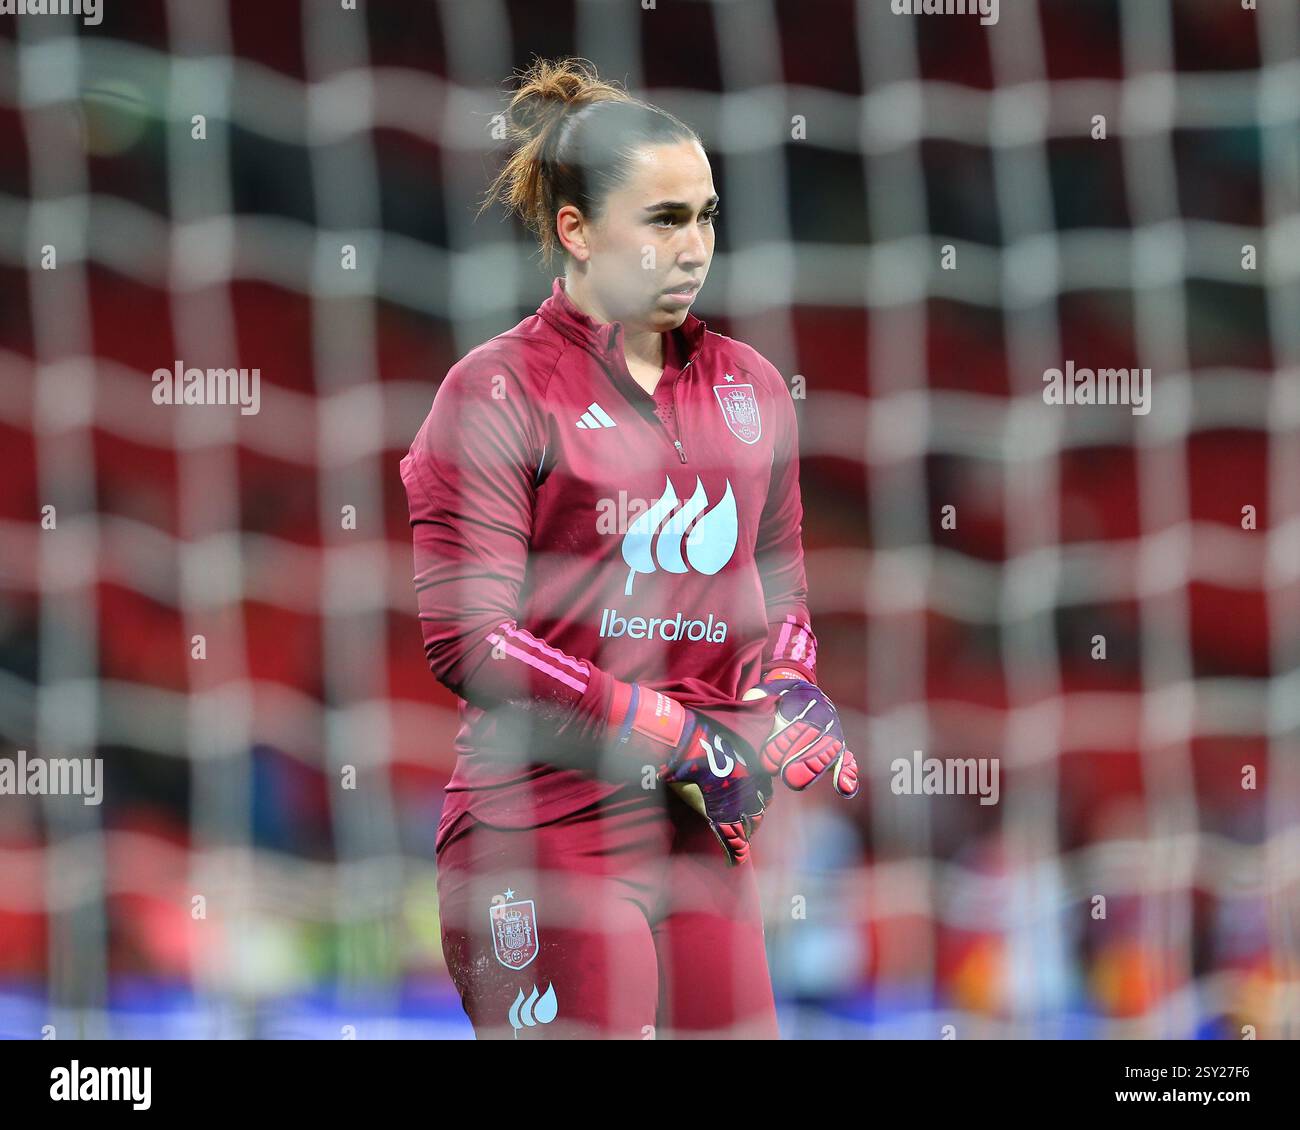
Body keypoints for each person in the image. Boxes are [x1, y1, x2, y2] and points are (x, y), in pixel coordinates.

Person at [399, 56, 858, 1040]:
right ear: (576, 229)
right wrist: (670, 732)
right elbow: (468, 641)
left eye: (705, 214)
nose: (694, 246)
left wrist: (790, 686)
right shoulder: (494, 393)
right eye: (663, 219)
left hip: (697, 838)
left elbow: (780, 593)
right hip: (541, 829)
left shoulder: (753, 390)